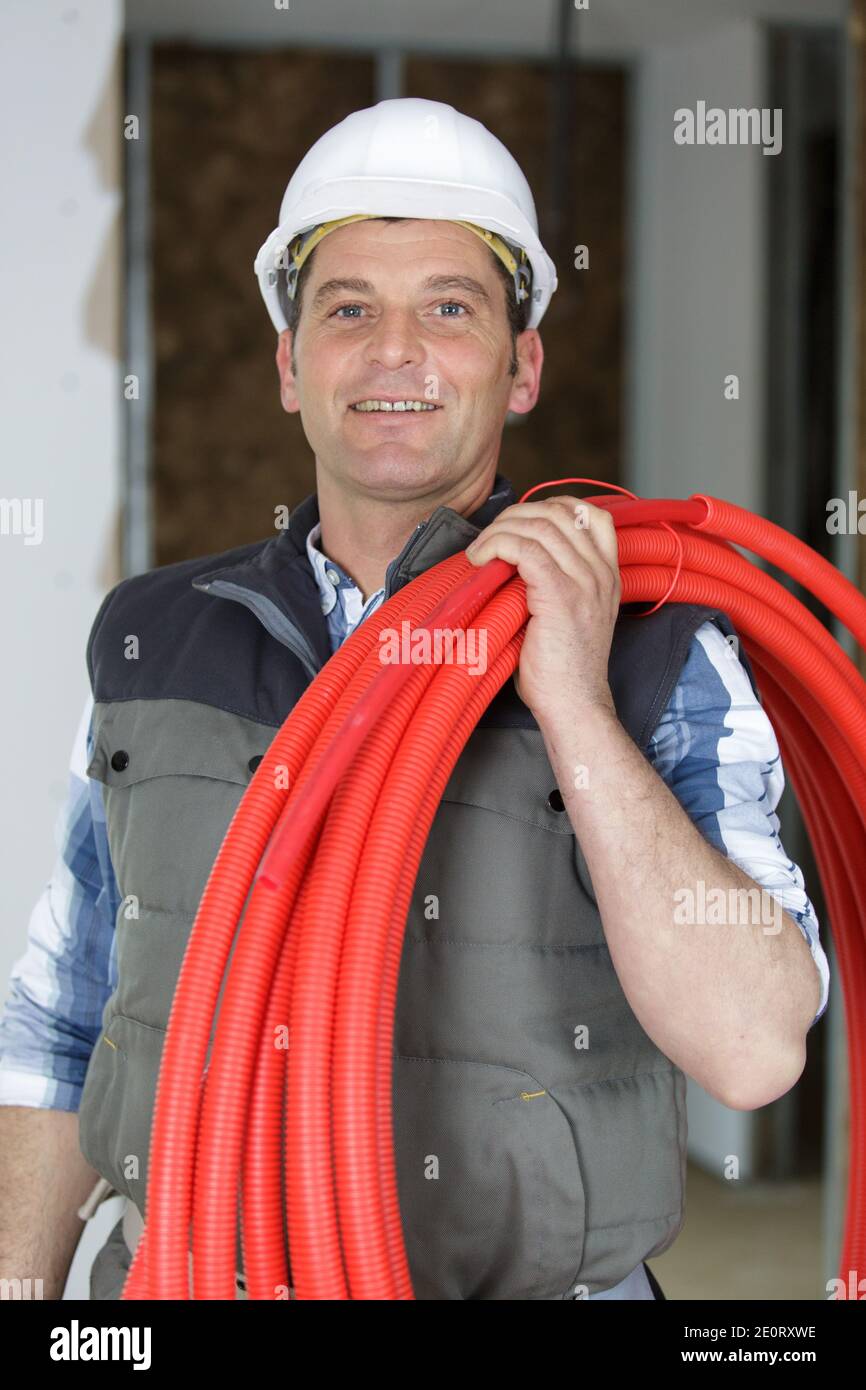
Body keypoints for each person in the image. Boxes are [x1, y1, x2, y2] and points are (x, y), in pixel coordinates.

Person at [0, 98, 828, 1302]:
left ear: (521, 364)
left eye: (449, 307)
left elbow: (750, 1048)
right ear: (290, 368)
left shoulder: (653, 646)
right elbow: (64, 1022)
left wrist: (577, 711)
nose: (395, 351)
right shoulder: (154, 639)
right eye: (347, 310)